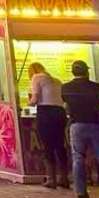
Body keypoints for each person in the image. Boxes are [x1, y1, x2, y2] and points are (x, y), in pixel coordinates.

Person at [61, 59, 99, 198]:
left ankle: (81, 191)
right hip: (96, 124)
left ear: (73, 72)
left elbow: (66, 105)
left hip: (76, 125)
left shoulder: (66, 87)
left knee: (78, 158)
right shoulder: (95, 87)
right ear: (86, 71)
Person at [28, 62, 70, 190]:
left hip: (46, 113)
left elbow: (35, 99)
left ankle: (51, 179)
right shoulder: (57, 80)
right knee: (60, 144)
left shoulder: (36, 78)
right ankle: (64, 178)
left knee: (47, 145)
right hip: (59, 113)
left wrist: (29, 103)